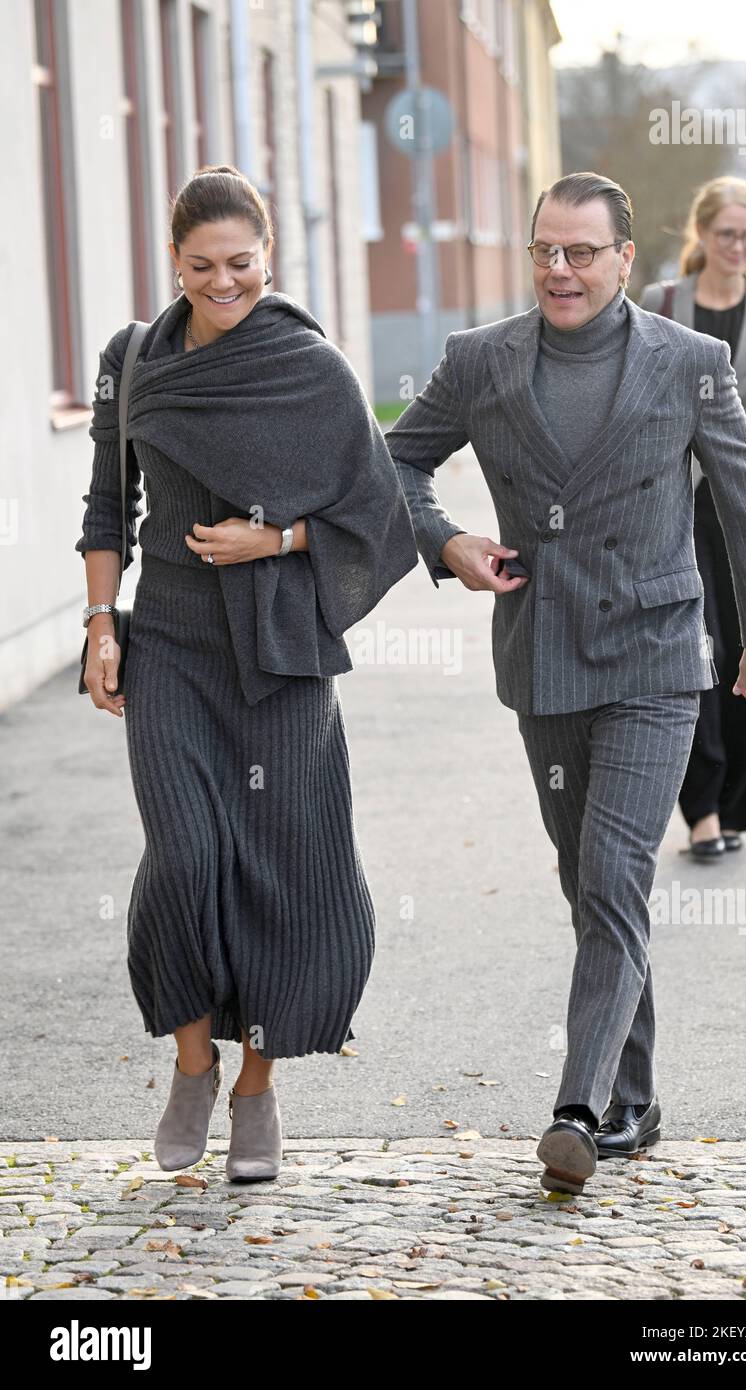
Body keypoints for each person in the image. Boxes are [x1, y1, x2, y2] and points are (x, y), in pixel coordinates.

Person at [385, 171, 746, 1196]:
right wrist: (451, 541)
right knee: (588, 882)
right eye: (544, 251)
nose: (559, 269)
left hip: (658, 653)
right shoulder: (478, 360)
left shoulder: (690, 363)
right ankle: (636, 1097)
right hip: (544, 651)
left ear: (625, 259)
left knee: (613, 874)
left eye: (581, 251)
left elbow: (741, 499)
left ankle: (576, 1105)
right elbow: (391, 465)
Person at [76, 164, 417, 1182]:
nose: (223, 282)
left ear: (267, 258)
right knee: (184, 858)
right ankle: (192, 1065)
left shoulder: (311, 366)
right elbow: (107, 509)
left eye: (240, 264)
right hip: (170, 643)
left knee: (286, 876)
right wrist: (101, 622)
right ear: (170, 262)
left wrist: (275, 542)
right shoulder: (132, 360)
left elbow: (377, 517)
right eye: (201, 266)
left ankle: (256, 1090)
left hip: (277, 655)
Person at [640, 177, 746, 860]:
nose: (738, 247)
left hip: (744, 506)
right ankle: (702, 812)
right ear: (701, 235)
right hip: (672, 505)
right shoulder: (662, 304)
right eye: (725, 235)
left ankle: (734, 806)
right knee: (694, 649)